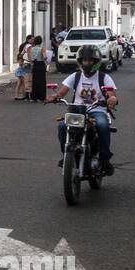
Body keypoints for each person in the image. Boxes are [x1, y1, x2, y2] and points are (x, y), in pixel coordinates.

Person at [48, 44, 117, 173]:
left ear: (96, 61)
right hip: (77, 110)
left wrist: (111, 99)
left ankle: (105, 159)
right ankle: (66, 155)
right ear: (80, 61)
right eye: (85, 60)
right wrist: (55, 96)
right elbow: (62, 92)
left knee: (102, 125)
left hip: (97, 110)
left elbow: (111, 94)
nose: (87, 63)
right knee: (62, 126)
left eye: (90, 60)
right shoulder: (76, 76)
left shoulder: (104, 77)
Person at [13, 33, 34, 100]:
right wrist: (31, 62)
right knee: (26, 81)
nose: (33, 40)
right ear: (28, 39)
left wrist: (20, 62)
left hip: (22, 65)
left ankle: (17, 95)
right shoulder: (28, 46)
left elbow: (20, 54)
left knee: (20, 82)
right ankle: (25, 95)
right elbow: (29, 55)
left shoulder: (24, 45)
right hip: (26, 64)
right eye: (32, 39)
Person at [29, 36, 48, 102]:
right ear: (41, 41)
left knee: (35, 81)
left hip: (35, 65)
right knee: (42, 81)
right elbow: (45, 57)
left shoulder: (31, 49)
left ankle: (34, 97)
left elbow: (31, 58)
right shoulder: (42, 49)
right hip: (41, 65)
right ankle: (41, 97)